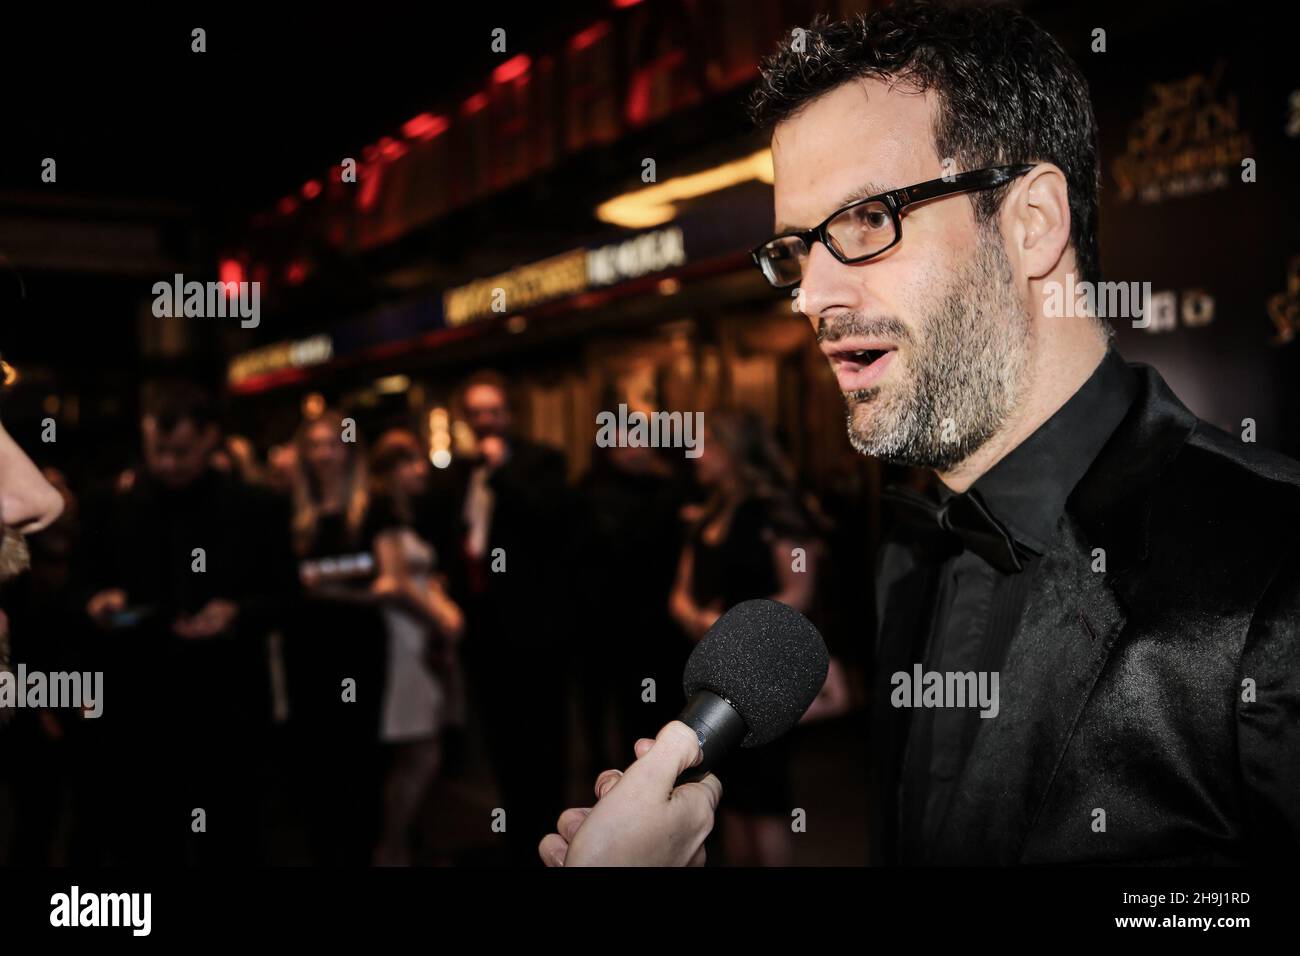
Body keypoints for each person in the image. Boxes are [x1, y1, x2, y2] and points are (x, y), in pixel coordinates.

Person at [543, 1, 1300, 866]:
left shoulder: (1276, 577)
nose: (809, 297)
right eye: (797, 246)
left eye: (867, 220)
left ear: (1032, 224)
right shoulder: (907, 556)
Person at [78, 381, 296, 864]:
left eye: (181, 452)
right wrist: (99, 601)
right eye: (159, 451)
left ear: (209, 438)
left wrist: (236, 612)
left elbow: (289, 597)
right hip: (142, 709)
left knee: (232, 836)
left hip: (228, 706)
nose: (168, 464)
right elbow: (80, 585)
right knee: (148, 839)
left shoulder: (256, 507)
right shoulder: (113, 504)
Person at [667, 411, 826, 866]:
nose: (695, 455)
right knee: (726, 800)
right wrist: (697, 618)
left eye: (706, 445)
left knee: (765, 803)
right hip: (711, 674)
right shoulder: (709, 510)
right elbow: (678, 593)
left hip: (762, 676)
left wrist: (731, 627)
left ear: (733, 451)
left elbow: (799, 592)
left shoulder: (775, 512)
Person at [437, 370, 568, 864]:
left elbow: (548, 523)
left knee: (543, 743)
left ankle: (550, 841)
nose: (486, 421)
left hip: (534, 632)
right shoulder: (458, 472)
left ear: (510, 415)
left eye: (494, 411)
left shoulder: (542, 462)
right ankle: (515, 839)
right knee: (499, 740)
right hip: (482, 630)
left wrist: (503, 473)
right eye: (477, 413)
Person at [284, 408, 386, 865]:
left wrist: (325, 589)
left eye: (333, 444)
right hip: (307, 649)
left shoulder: (372, 507)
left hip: (359, 646)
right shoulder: (291, 511)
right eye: (316, 445)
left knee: (360, 757)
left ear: (349, 450)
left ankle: (361, 850)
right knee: (314, 759)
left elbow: (391, 585)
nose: (325, 454)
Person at [366, 429, 463, 866]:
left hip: (415, 636)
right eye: (410, 462)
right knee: (420, 750)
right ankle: (392, 847)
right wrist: (440, 616)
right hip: (402, 640)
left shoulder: (407, 515)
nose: (420, 470)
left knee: (420, 748)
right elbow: (394, 583)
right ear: (390, 472)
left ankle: (401, 844)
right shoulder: (382, 512)